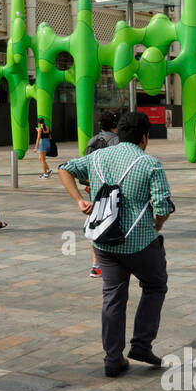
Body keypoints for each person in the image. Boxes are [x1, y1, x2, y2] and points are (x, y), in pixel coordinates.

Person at [58, 111, 173, 377]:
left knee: (113, 295)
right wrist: (158, 225)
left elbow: (64, 168)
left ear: (118, 133)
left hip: (104, 242)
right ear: (144, 137)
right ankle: (142, 345)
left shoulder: (97, 156)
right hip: (140, 242)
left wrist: (79, 200)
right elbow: (163, 206)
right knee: (155, 285)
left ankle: (113, 359)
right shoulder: (150, 164)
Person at [83, 110, 121, 277]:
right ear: (115, 125)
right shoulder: (115, 141)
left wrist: (89, 182)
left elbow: (86, 163)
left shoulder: (93, 140)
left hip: (94, 188)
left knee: (95, 221)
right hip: (111, 188)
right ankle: (115, 262)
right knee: (113, 221)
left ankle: (96, 264)